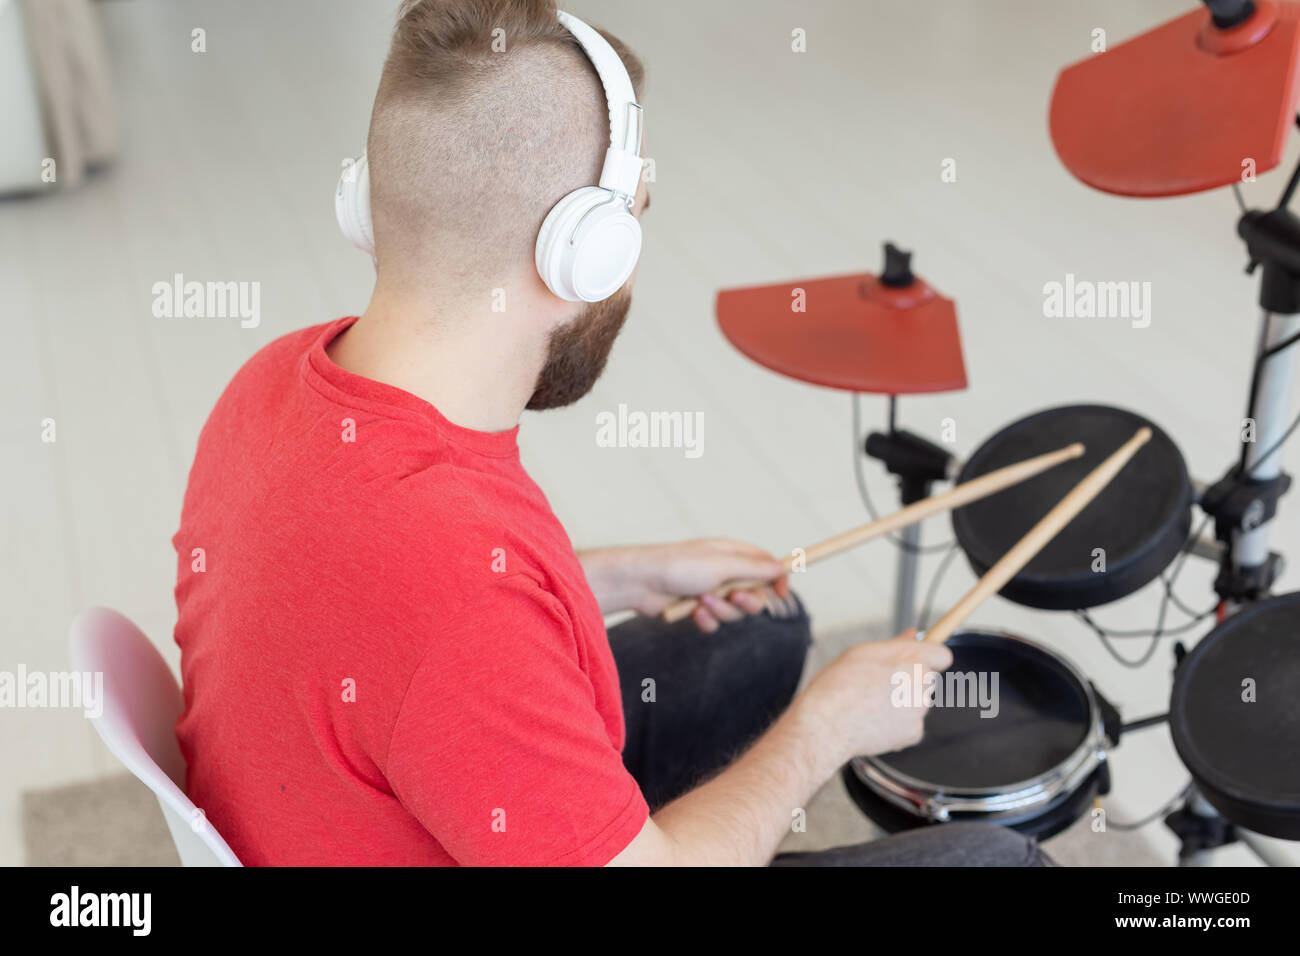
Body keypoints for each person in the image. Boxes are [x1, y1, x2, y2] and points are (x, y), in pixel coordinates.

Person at [172, 0, 1051, 867]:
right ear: (581, 251)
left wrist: (635, 574)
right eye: (632, 217)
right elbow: (445, 624)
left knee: (765, 630)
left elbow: (386, 624)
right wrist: (829, 728)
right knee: (999, 861)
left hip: (384, 787)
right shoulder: (457, 598)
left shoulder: (269, 385)